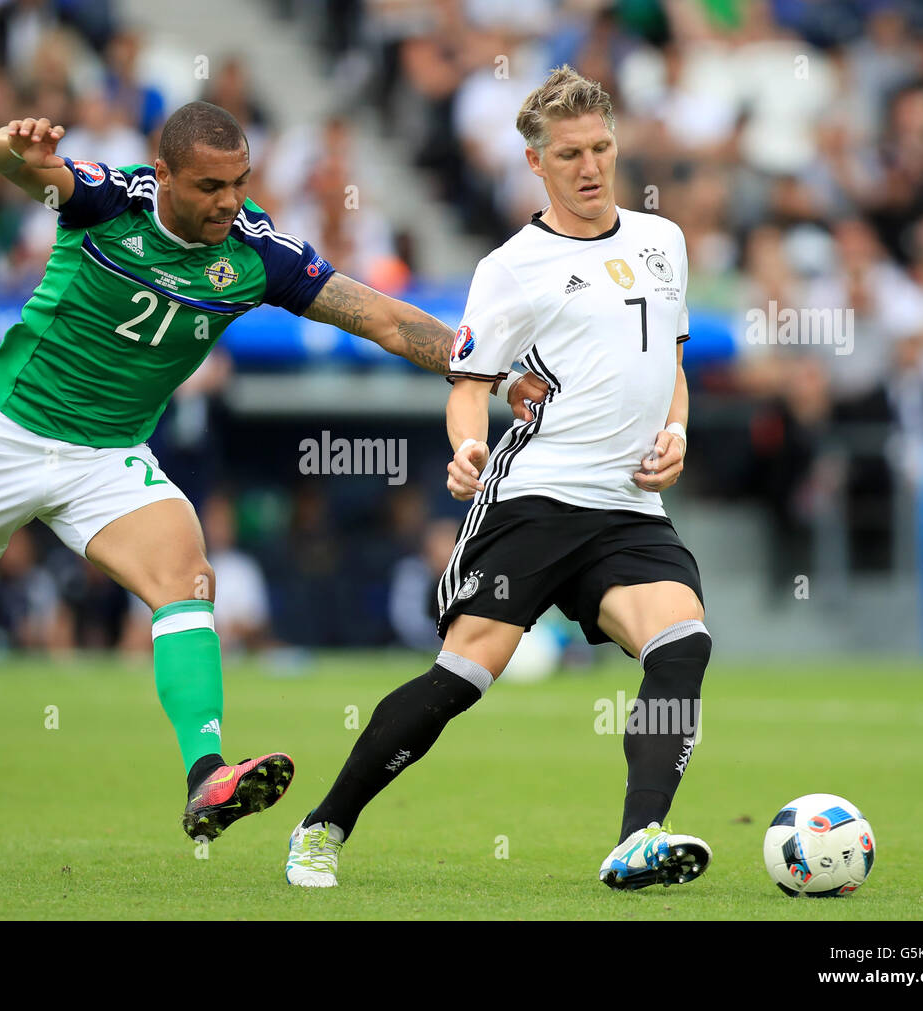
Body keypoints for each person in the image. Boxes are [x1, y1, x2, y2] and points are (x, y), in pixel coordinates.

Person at [0, 101, 546, 847]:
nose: (229, 202)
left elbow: (381, 316)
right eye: (210, 187)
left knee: (187, 577)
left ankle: (207, 774)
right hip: (3, 436)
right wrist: (12, 147)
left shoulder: (256, 251)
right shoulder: (110, 204)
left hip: (107, 457)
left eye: (240, 183)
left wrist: (496, 378)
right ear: (164, 176)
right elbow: (10, 164)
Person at [286, 67, 712, 890]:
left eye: (601, 148)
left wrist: (679, 431)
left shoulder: (665, 243)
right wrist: (468, 448)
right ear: (535, 162)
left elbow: (674, 364)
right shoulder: (513, 266)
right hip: (535, 497)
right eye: (569, 154)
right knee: (463, 676)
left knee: (682, 643)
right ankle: (322, 826)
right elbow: (470, 382)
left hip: (628, 504)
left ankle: (638, 837)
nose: (589, 167)